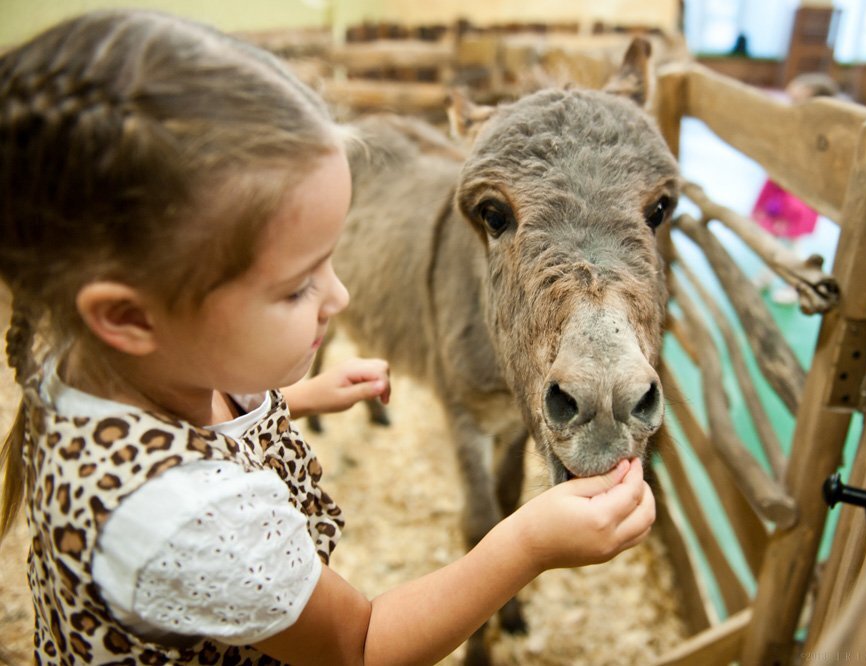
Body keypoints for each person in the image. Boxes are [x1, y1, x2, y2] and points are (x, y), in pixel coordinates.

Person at [0, 10, 655, 666]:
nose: (341, 299)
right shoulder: (188, 523)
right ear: (129, 318)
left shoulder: (102, 369)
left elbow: (193, 430)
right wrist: (525, 546)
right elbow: (357, 646)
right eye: (295, 287)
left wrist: (298, 399)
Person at [752, 73, 841, 305]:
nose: (791, 106)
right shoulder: (790, 125)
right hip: (779, 189)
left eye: (798, 102)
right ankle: (767, 275)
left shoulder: (821, 135)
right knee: (769, 236)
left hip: (797, 196)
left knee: (793, 243)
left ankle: (795, 285)